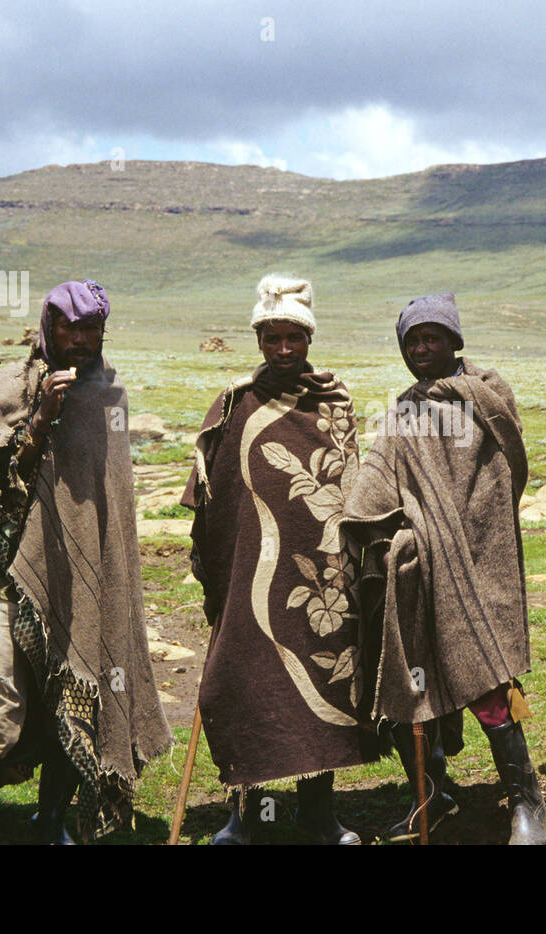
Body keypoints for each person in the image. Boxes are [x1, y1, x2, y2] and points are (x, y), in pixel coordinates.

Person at [0, 280, 171, 844]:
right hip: (8, 568)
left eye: (92, 330)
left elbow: (108, 500)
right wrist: (39, 421)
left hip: (77, 585)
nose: (81, 340)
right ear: (48, 326)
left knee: (75, 701)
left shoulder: (108, 394)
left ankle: (52, 819)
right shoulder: (12, 384)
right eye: (70, 328)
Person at [342, 291, 546, 845]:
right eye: (411, 341)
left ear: (455, 341)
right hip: (420, 567)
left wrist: (464, 531)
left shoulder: (487, 395)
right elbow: (378, 479)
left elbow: (505, 475)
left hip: (482, 560)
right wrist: (387, 533)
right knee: (414, 684)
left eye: (432, 337)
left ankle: (527, 799)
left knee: (485, 681)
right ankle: (431, 795)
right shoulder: (403, 409)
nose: (421, 349)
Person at [180, 274, 378, 845]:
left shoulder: (334, 403)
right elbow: (211, 494)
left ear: (309, 339)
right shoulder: (233, 404)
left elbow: (349, 489)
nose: (284, 349)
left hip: (321, 579)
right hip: (248, 575)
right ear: (259, 338)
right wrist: (217, 564)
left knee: (322, 685)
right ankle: (244, 816)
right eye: (273, 337)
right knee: (248, 685)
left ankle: (318, 816)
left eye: (295, 337)